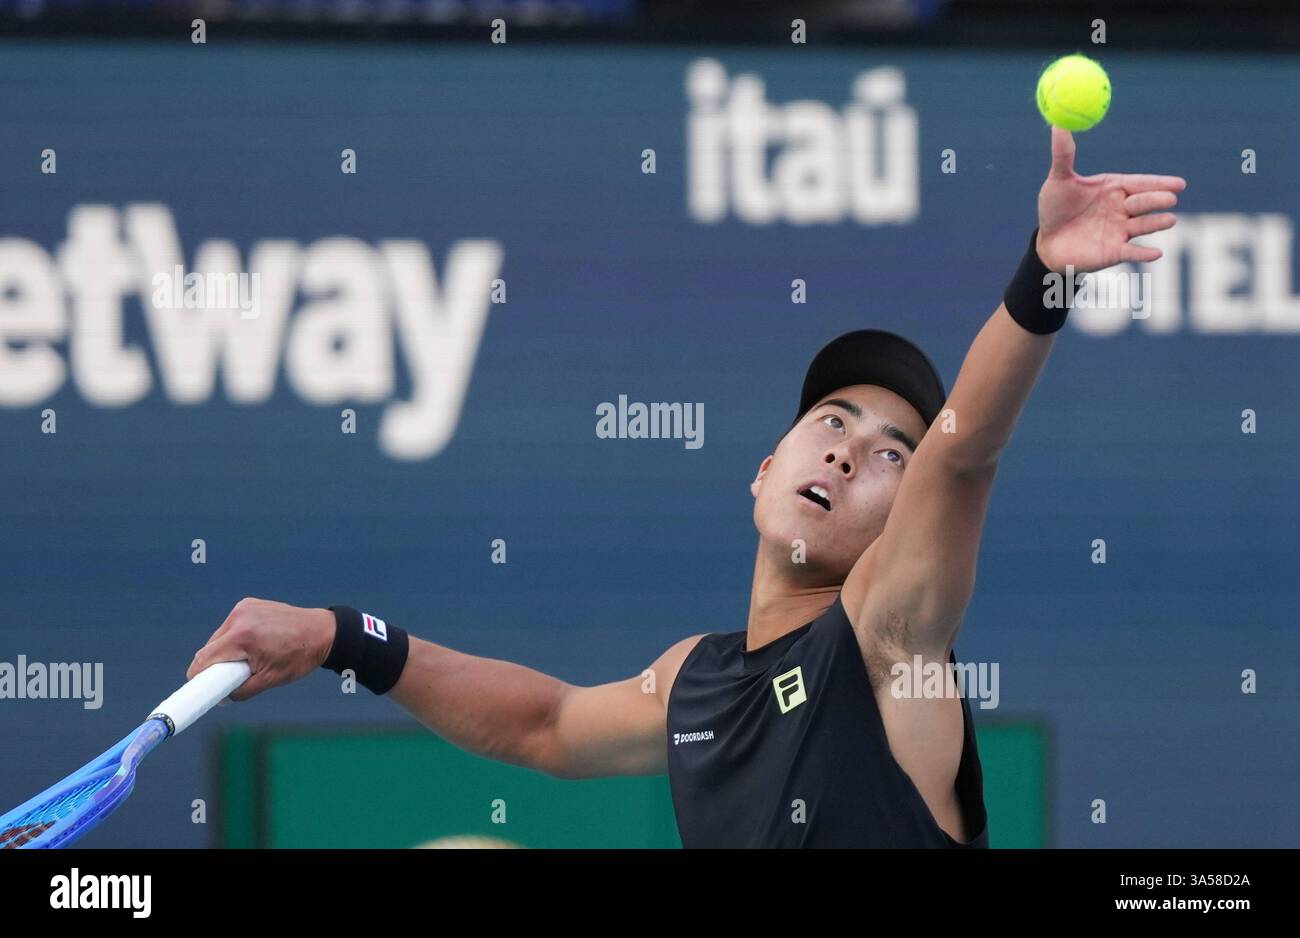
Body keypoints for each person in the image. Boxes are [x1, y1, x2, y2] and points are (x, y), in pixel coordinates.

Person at [188, 128, 1185, 847]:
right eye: (829, 423)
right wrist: (334, 634)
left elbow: (963, 453)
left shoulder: (889, 634)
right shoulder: (697, 677)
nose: (843, 452)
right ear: (763, 470)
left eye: (889, 453)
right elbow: (542, 725)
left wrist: (1043, 275)